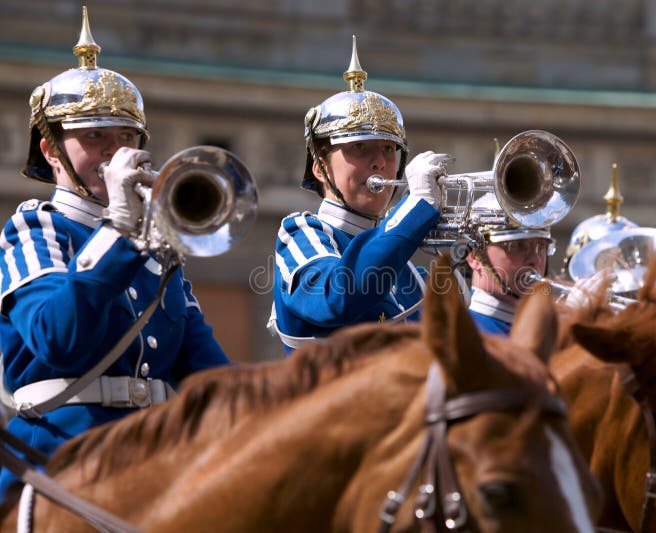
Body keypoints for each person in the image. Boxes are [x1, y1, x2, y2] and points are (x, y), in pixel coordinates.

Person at [0, 8, 229, 499]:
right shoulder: (34, 226)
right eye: (94, 136)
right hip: (60, 455)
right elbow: (58, 338)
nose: (114, 151)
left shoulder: (156, 249)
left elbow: (206, 368)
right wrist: (119, 228)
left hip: (155, 453)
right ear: (51, 151)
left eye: (126, 137)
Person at [268, 37, 453, 353]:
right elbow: (336, 296)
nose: (380, 161)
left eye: (389, 149)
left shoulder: (413, 277)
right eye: (359, 148)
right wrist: (417, 207)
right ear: (319, 167)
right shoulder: (301, 234)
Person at [466, 193, 609, 335]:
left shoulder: (536, 323)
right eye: (517, 246)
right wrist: (567, 321)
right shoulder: (464, 330)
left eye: (541, 247)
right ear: (475, 258)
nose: (536, 260)